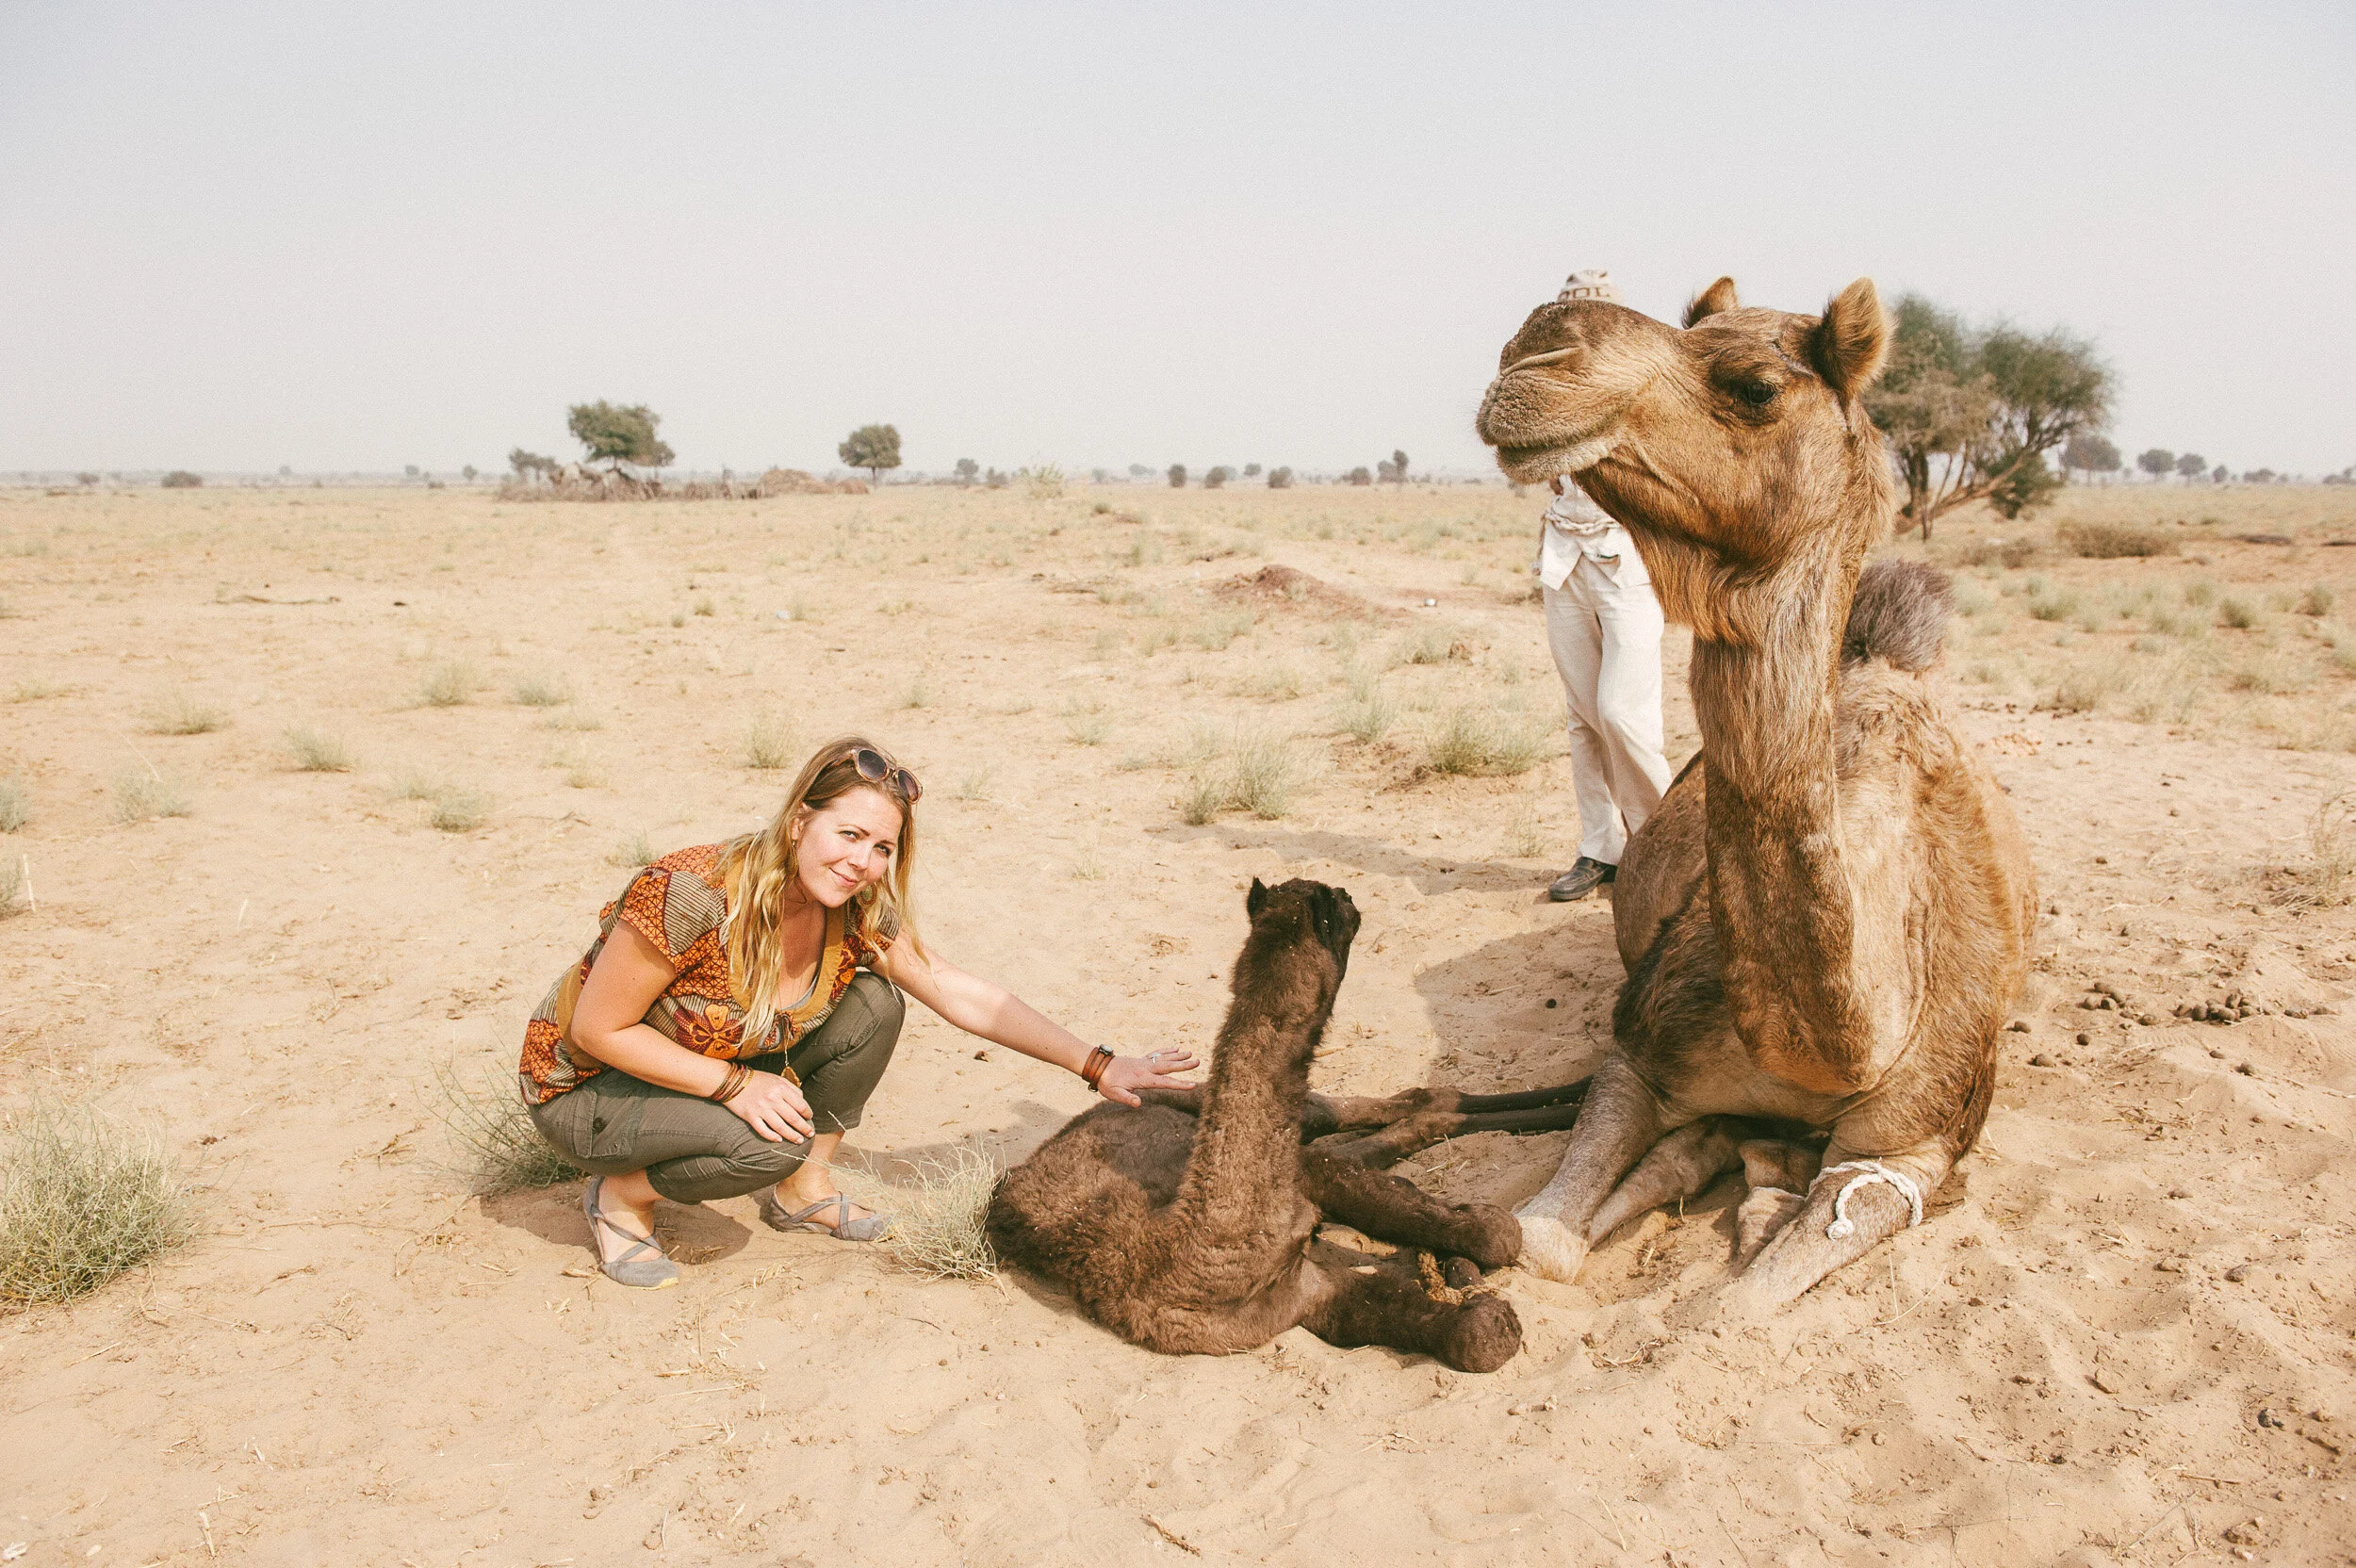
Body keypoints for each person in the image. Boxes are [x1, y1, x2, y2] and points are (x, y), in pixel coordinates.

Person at [517, 737, 1199, 1288]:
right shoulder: (691, 892)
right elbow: (596, 1030)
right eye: (848, 834)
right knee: (765, 1143)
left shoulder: (853, 905)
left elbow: (954, 989)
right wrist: (738, 1086)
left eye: (882, 847)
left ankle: (801, 1193)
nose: (862, 862)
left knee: (875, 1003)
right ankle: (621, 1196)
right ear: (798, 821)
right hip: (587, 1088)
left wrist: (1100, 1064)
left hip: (704, 1061)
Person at [1536, 269, 1673, 903]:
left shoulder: (1641, 388)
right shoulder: (1545, 388)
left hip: (1626, 561)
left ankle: (1664, 844)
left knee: (1623, 710)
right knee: (1583, 717)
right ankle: (1602, 849)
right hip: (1564, 556)